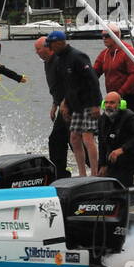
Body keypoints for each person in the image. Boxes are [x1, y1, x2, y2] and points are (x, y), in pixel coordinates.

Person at [49, 29, 102, 177]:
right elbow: (67, 85)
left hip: (89, 103)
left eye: (51, 44)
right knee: (74, 138)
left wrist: (97, 104)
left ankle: (95, 173)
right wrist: (64, 103)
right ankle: (82, 173)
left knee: (87, 137)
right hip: (74, 105)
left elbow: (93, 81)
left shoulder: (78, 56)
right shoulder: (59, 60)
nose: (50, 47)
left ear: (60, 42)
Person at [97, 91, 134, 188]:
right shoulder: (102, 120)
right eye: (106, 103)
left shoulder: (129, 117)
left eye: (112, 103)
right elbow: (102, 143)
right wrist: (103, 164)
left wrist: (122, 149)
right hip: (115, 156)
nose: (108, 105)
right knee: (107, 181)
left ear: (120, 104)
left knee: (120, 186)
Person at [35, 37, 71, 178]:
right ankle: (60, 173)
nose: (36, 52)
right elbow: (56, 87)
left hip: (70, 104)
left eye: (38, 49)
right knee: (57, 139)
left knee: (68, 139)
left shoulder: (58, 61)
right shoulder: (47, 62)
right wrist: (54, 105)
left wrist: (65, 103)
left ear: (47, 48)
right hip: (61, 104)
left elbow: (69, 84)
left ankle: (98, 168)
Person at [93, 25, 134, 123]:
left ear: (115, 36)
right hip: (112, 97)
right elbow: (94, 73)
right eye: (102, 35)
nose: (104, 38)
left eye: (107, 36)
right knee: (112, 124)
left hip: (131, 96)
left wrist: (120, 93)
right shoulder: (104, 54)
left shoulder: (129, 52)